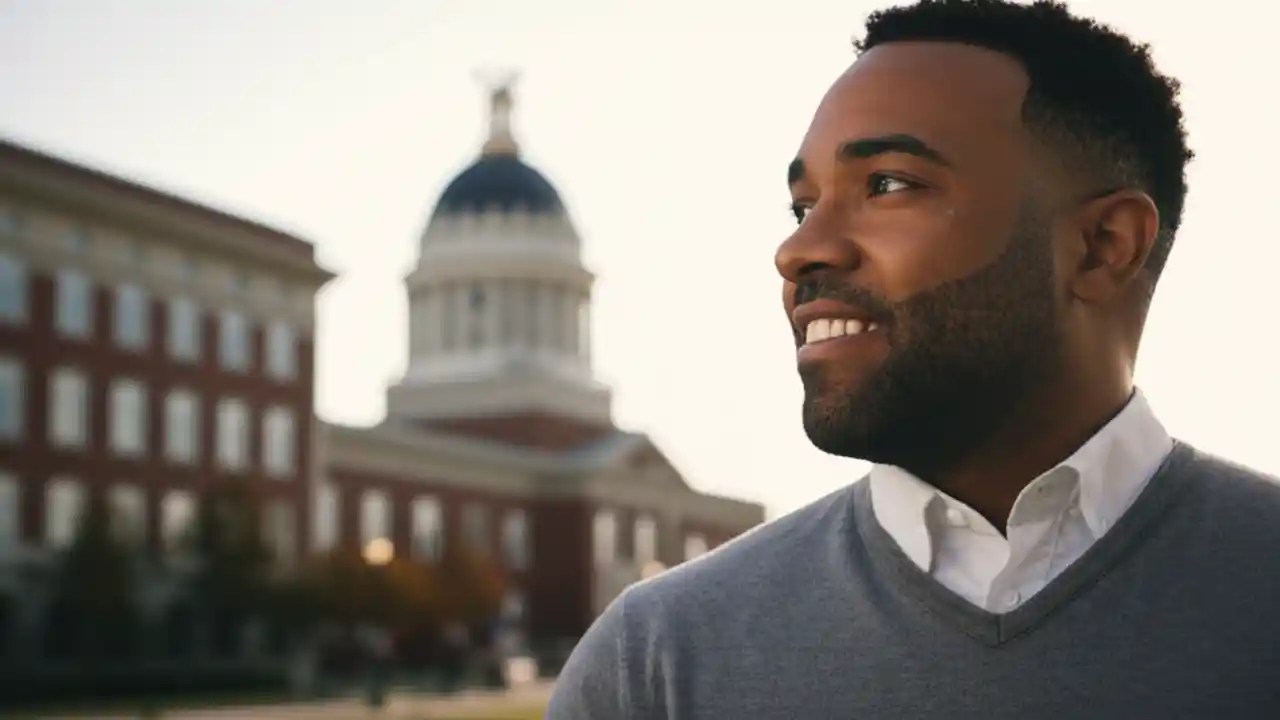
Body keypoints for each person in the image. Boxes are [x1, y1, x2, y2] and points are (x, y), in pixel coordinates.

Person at [547, 1, 1280, 717]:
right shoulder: (655, 666)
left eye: (888, 184)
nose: (799, 249)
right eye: (802, 206)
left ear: (1102, 246)